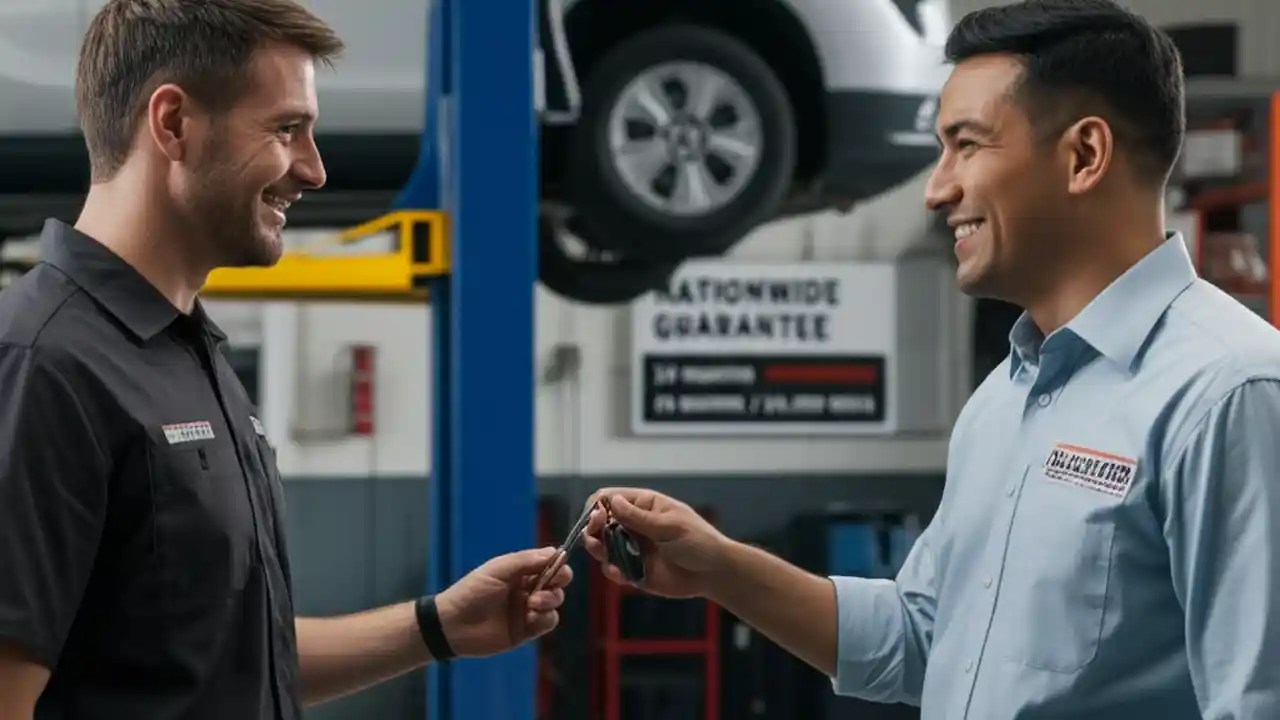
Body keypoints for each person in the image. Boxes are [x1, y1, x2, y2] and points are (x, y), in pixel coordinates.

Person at [584, 1, 1280, 717]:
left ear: (1083, 156)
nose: (936, 188)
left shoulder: (1231, 394)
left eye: (967, 145)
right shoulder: (1006, 398)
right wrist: (719, 567)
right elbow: (922, 639)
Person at [0, 2, 569, 719]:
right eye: (286, 129)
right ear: (172, 123)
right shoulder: (39, 364)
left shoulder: (187, 356)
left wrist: (439, 626)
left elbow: (226, 657)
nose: (315, 169)